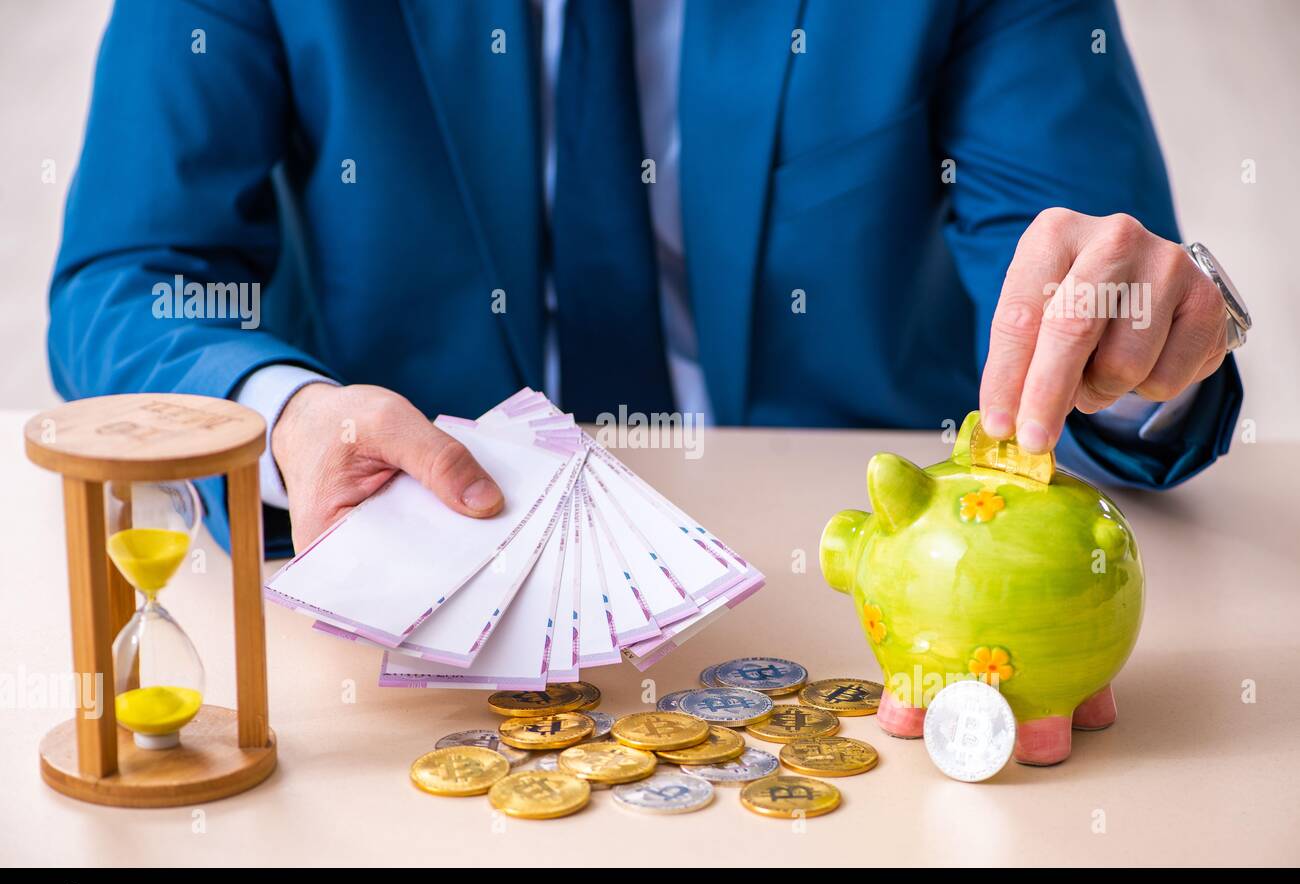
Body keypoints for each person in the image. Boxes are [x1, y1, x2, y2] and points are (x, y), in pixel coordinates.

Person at [49, 0, 1244, 556]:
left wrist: (1138, 356)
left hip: (853, 580)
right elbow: (129, 272)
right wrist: (290, 416)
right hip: (416, 565)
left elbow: (1089, 288)